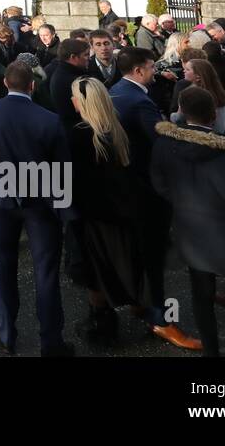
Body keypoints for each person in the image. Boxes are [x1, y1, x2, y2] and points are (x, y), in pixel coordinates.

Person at [150, 86, 225, 357]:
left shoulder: (164, 145)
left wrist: (184, 207)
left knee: (202, 295)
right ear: (213, 115)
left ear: (182, 112)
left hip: (193, 235)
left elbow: (160, 184)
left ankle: (211, 350)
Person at [0, 61, 74, 356]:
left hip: (2, 197)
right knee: (46, 272)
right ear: (32, 85)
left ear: (5, 83)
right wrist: (64, 208)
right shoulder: (49, 119)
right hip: (41, 202)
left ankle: (6, 335)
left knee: (5, 265)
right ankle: (51, 342)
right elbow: (63, 169)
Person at [110, 47, 202, 350]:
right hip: (146, 189)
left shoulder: (116, 90)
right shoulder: (138, 100)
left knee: (139, 251)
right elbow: (161, 142)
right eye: (151, 67)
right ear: (139, 70)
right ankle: (161, 318)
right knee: (154, 255)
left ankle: (141, 302)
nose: (155, 71)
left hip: (124, 186)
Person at [67, 77, 144, 344]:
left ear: (81, 102)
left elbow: (74, 181)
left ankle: (101, 325)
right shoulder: (117, 128)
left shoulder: (79, 135)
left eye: (74, 96)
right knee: (111, 267)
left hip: (92, 217)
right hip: (119, 213)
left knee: (94, 272)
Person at [173, 58, 225, 132]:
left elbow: (178, 118)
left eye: (187, 69)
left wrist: (172, 116)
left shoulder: (190, 95)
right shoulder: (218, 93)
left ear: (198, 77)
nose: (184, 71)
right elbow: (220, 126)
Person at [49, 38, 89, 128]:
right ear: (73, 57)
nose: (88, 58)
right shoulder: (71, 80)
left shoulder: (63, 73)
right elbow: (81, 110)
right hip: (79, 128)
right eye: (86, 55)